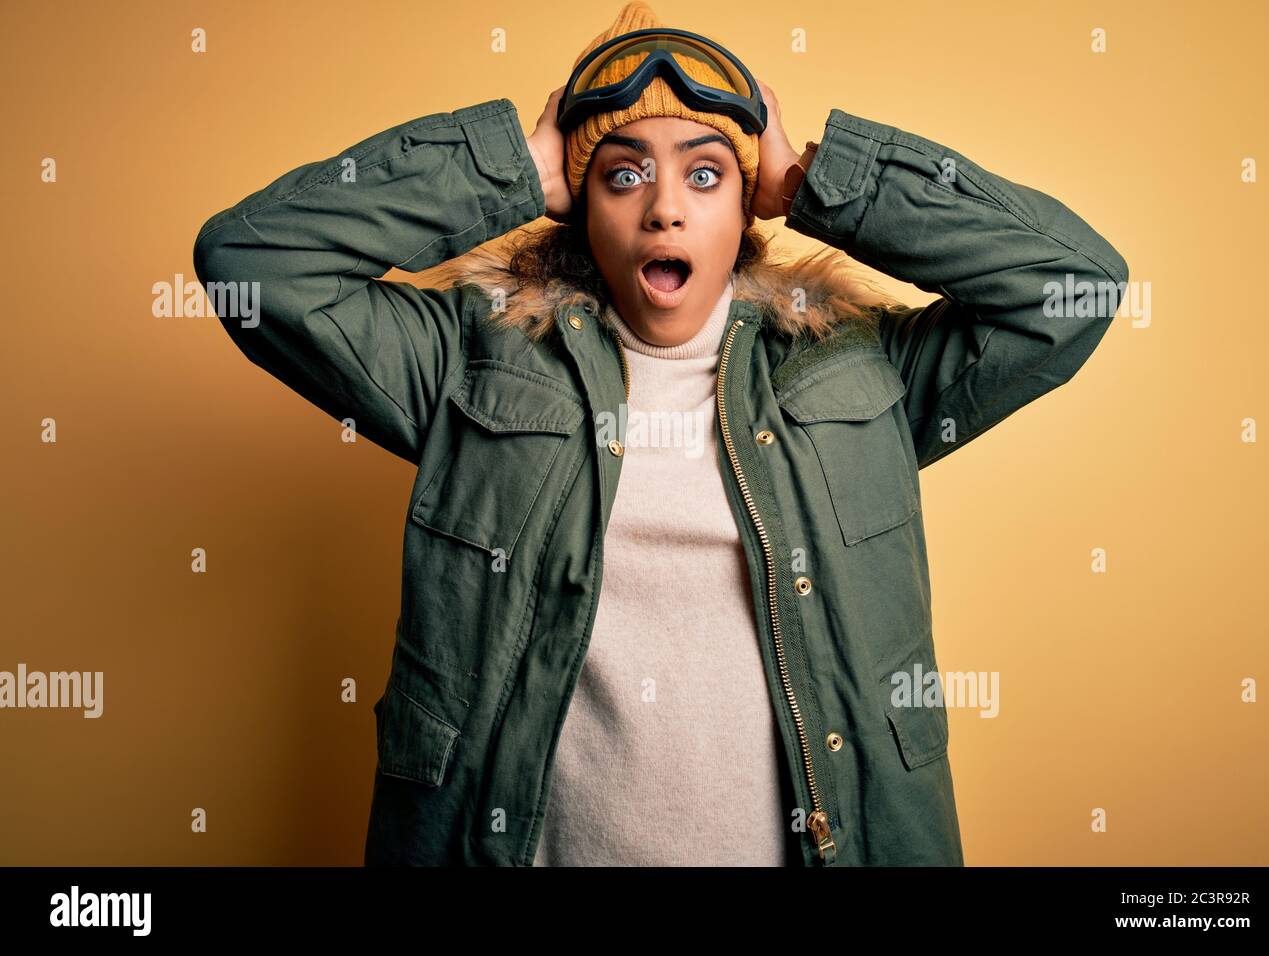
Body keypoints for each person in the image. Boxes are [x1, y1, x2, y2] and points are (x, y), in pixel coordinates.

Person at [192, 1, 1128, 866]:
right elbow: (250, 260)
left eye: (707, 172)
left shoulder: (860, 370)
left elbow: (1073, 288)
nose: (666, 207)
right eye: (624, 173)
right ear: (579, 205)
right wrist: (513, 168)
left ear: (746, 205)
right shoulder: (468, 362)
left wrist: (815, 179)